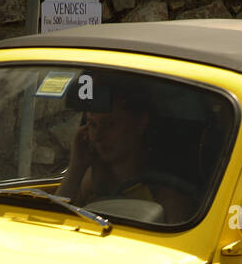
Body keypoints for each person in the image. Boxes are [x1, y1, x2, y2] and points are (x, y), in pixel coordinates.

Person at [58, 87, 194, 224]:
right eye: (93, 125)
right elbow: (57, 220)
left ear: (140, 122)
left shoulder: (167, 198)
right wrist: (76, 166)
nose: (98, 136)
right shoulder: (90, 182)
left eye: (110, 124)